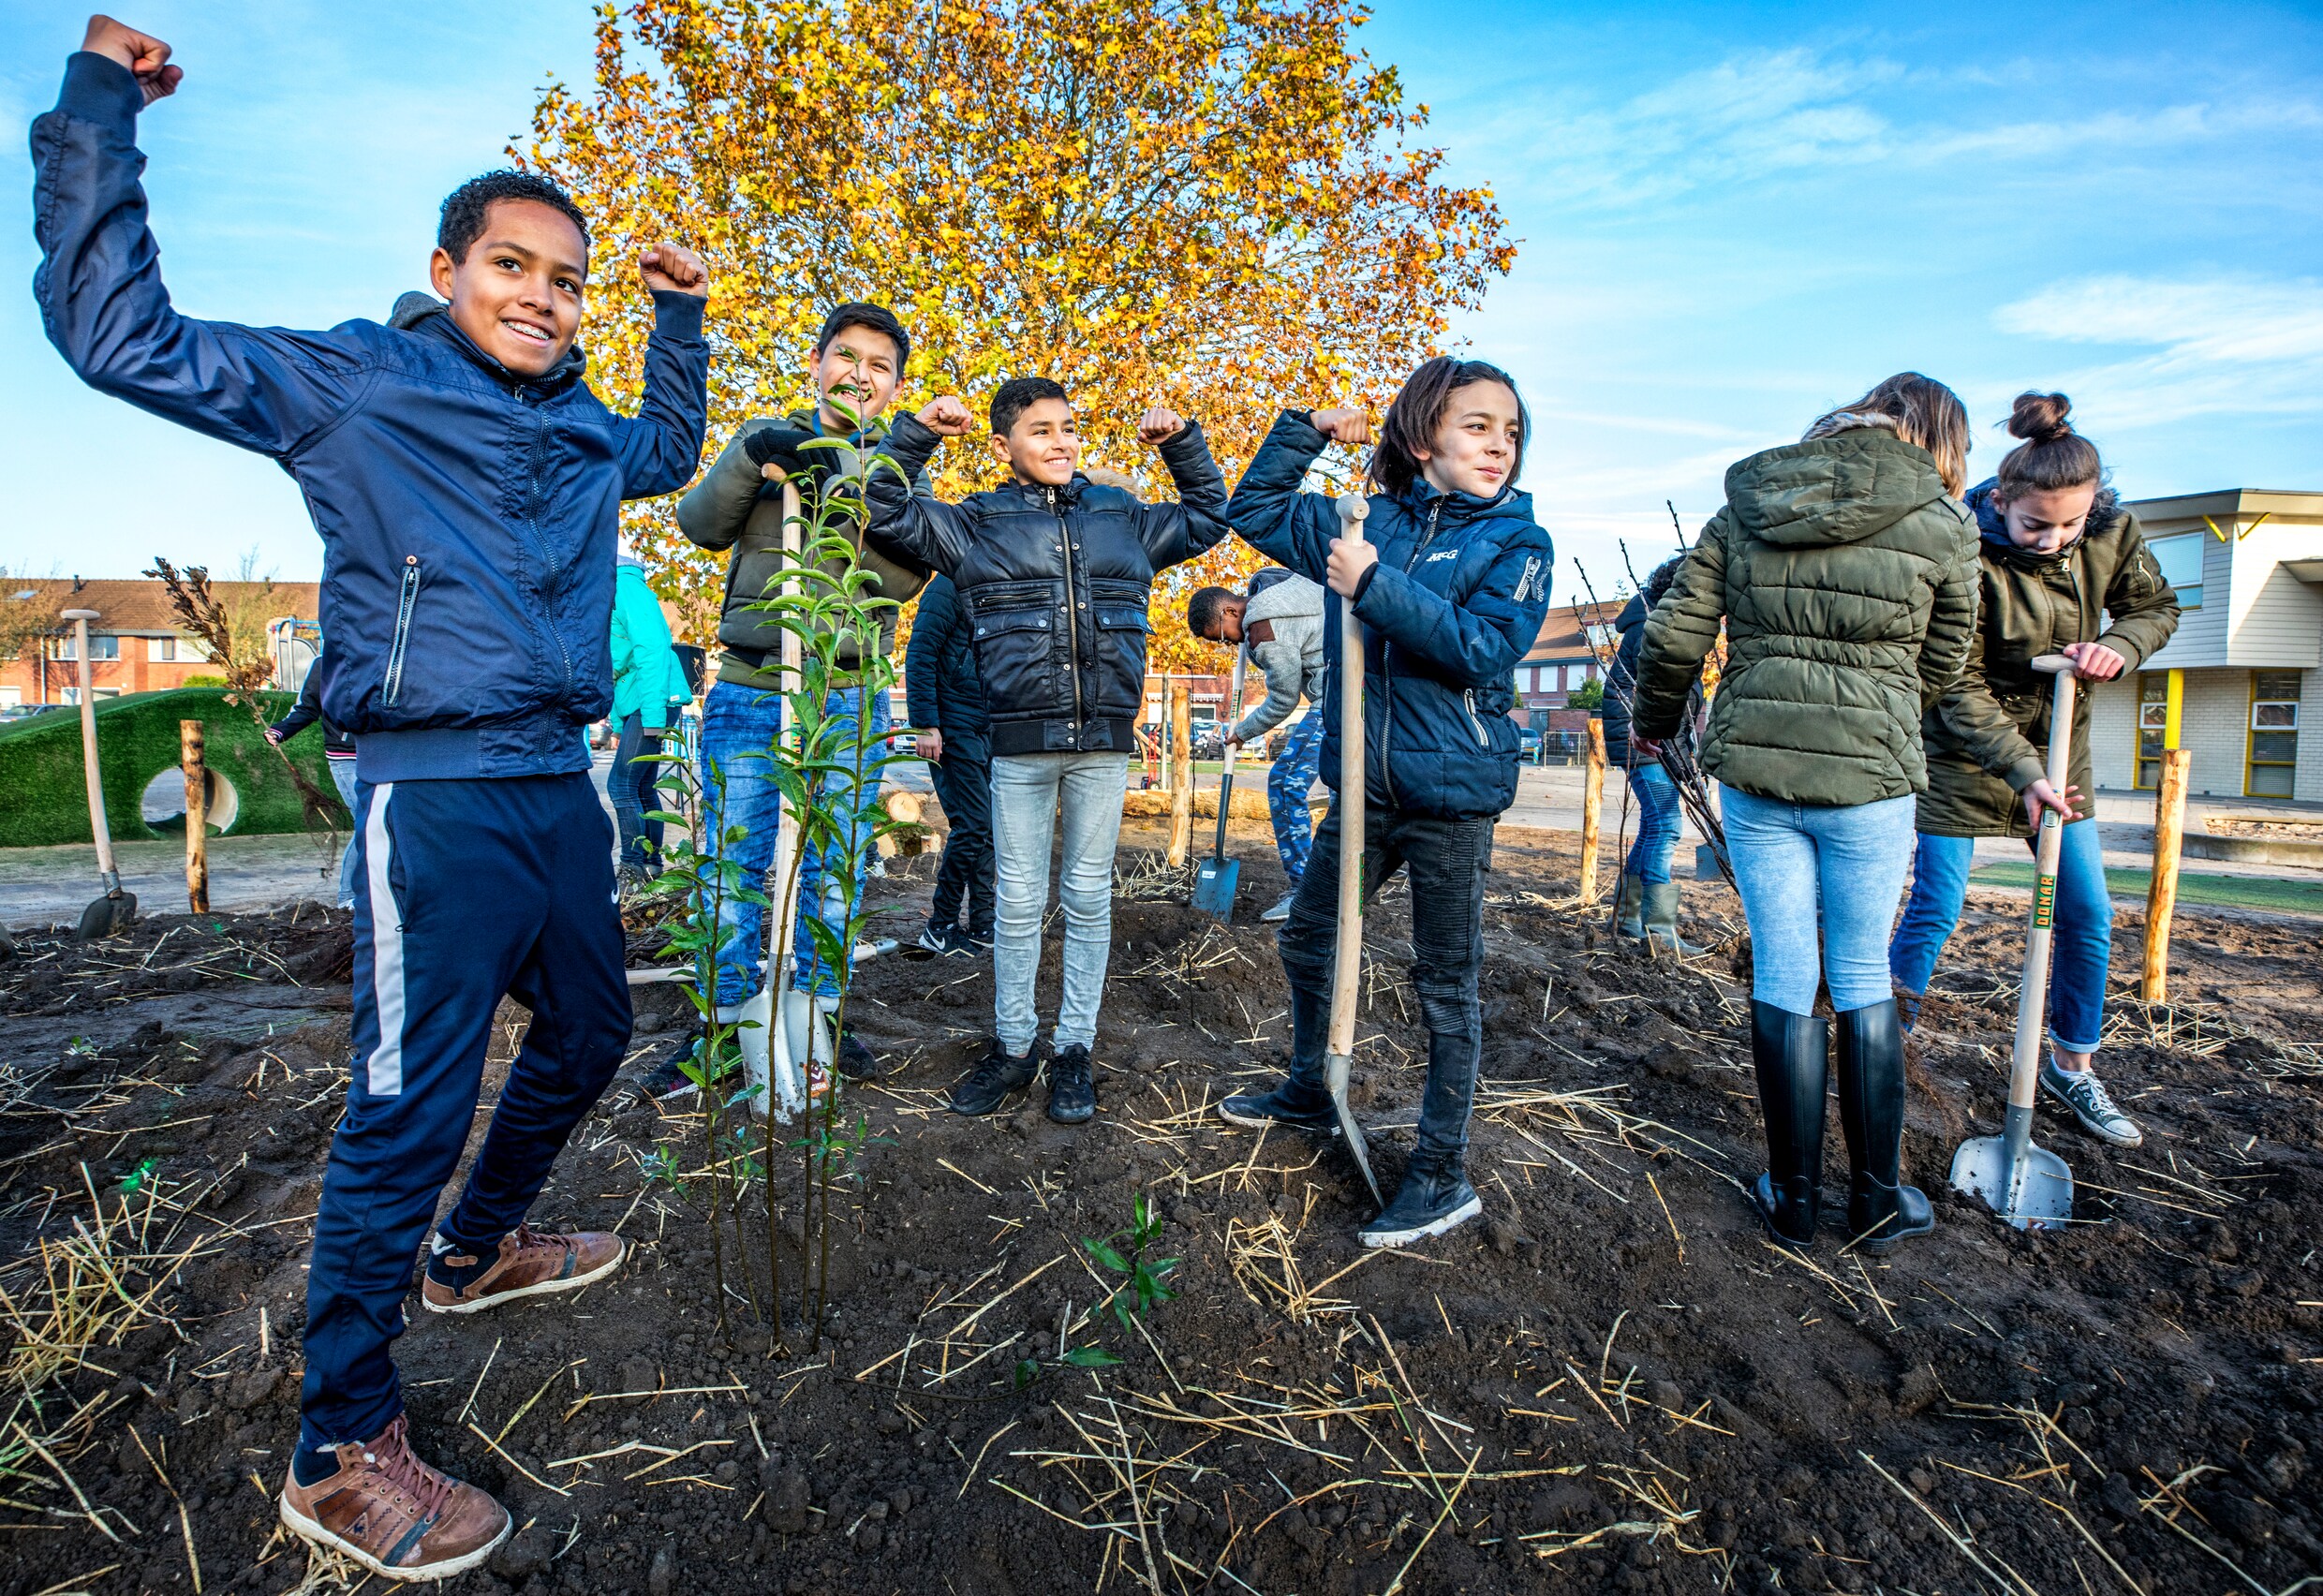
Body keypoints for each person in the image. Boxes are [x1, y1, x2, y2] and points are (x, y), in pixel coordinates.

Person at [31, 19, 710, 1580]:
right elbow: (116, 335)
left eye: (568, 279)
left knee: (593, 1032)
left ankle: (475, 1249)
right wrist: (98, 108)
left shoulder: (581, 422)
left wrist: (678, 318)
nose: (541, 296)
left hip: (558, 786)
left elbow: (666, 455)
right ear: (447, 269)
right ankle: (337, 1447)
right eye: (511, 267)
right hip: (437, 799)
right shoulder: (362, 381)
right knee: (408, 1107)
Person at [1632, 374, 1978, 1255]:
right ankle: (1877, 1200)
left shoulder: (1750, 502)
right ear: (1937, 440)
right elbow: (1948, 655)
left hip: (1757, 771)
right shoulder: (1944, 520)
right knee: (1860, 968)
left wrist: (1654, 723)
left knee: (1785, 970)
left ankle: (1790, 1198)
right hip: (1872, 777)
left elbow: (1674, 634)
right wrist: (1885, 711)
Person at [1218, 359, 1556, 1249]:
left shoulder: (1518, 542)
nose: (1500, 445)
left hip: (1450, 797)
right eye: (1478, 425)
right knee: (1308, 936)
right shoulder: (1367, 521)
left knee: (1444, 983)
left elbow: (1483, 649)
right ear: (1421, 434)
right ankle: (1308, 1087)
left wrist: (1372, 586)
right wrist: (1307, 430)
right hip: (1365, 790)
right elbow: (1254, 508)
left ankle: (1442, 1173)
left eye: (1511, 432)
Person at [864, 377, 1232, 1124]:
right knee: (1018, 900)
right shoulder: (976, 524)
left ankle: (1074, 1050)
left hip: (1101, 745)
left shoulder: (1120, 517)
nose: (1061, 441)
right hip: (1018, 745)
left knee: (1089, 898)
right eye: (1041, 430)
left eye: (1068, 427)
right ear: (1003, 445)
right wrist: (919, 433)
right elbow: (885, 509)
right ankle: (1012, 1046)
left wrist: (1181, 446)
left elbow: (1207, 516)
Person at [1889, 392, 2179, 1148]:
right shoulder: (1964, 548)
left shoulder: (2112, 533)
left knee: (2087, 912)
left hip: (2059, 752)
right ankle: (1885, 1047)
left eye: (2070, 527)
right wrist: (2019, 772)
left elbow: (2156, 606)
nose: (2054, 540)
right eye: (2035, 526)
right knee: (1936, 904)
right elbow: (1954, 681)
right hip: (1963, 752)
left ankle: (2072, 1066)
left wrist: (2121, 646)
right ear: (2001, 502)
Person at [675, 303, 929, 1079]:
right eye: (846, 356)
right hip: (752, 684)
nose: (860, 375)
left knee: (833, 867)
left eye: (880, 366)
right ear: (818, 363)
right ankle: (724, 1024)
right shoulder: (766, 438)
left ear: (895, 387)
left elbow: (899, 581)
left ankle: (820, 1014)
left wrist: (854, 499)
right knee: (733, 864)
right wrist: (753, 457)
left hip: (846, 691)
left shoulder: (901, 468)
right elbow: (700, 524)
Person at [1188, 569, 1327, 923]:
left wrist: (1242, 732)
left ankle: (1305, 892)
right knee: (1347, 795)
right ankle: (1338, 885)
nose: (1228, 644)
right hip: (1364, 685)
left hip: (1339, 696)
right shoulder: (1278, 590)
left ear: (1230, 612)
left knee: (1285, 782)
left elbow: (1283, 699)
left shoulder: (1263, 629)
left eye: (1222, 637)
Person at [1599, 555, 1692, 952]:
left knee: (1654, 826)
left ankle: (1628, 919)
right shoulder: (1656, 624)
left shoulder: (1659, 620)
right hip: (1645, 739)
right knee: (1665, 826)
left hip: (1652, 739)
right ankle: (1659, 930)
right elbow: (1659, 694)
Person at [906, 574, 995, 955]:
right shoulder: (948, 586)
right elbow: (920, 653)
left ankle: (984, 924)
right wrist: (926, 724)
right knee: (973, 824)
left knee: (988, 830)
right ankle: (940, 924)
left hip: (987, 725)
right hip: (952, 724)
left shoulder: (997, 584)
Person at [608, 544, 693, 891]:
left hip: (653, 701)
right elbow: (617, 667)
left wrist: (653, 715)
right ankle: (650, 865)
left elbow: (653, 649)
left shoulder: (625, 585)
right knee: (642, 785)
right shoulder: (610, 588)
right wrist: (618, 723)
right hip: (640, 701)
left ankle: (632, 868)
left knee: (620, 784)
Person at [267, 656, 359, 909]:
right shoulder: (324, 663)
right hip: (345, 757)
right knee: (367, 823)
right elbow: (307, 707)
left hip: (381, 753)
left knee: (386, 823)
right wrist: (280, 731)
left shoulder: (377, 655)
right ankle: (347, 896)